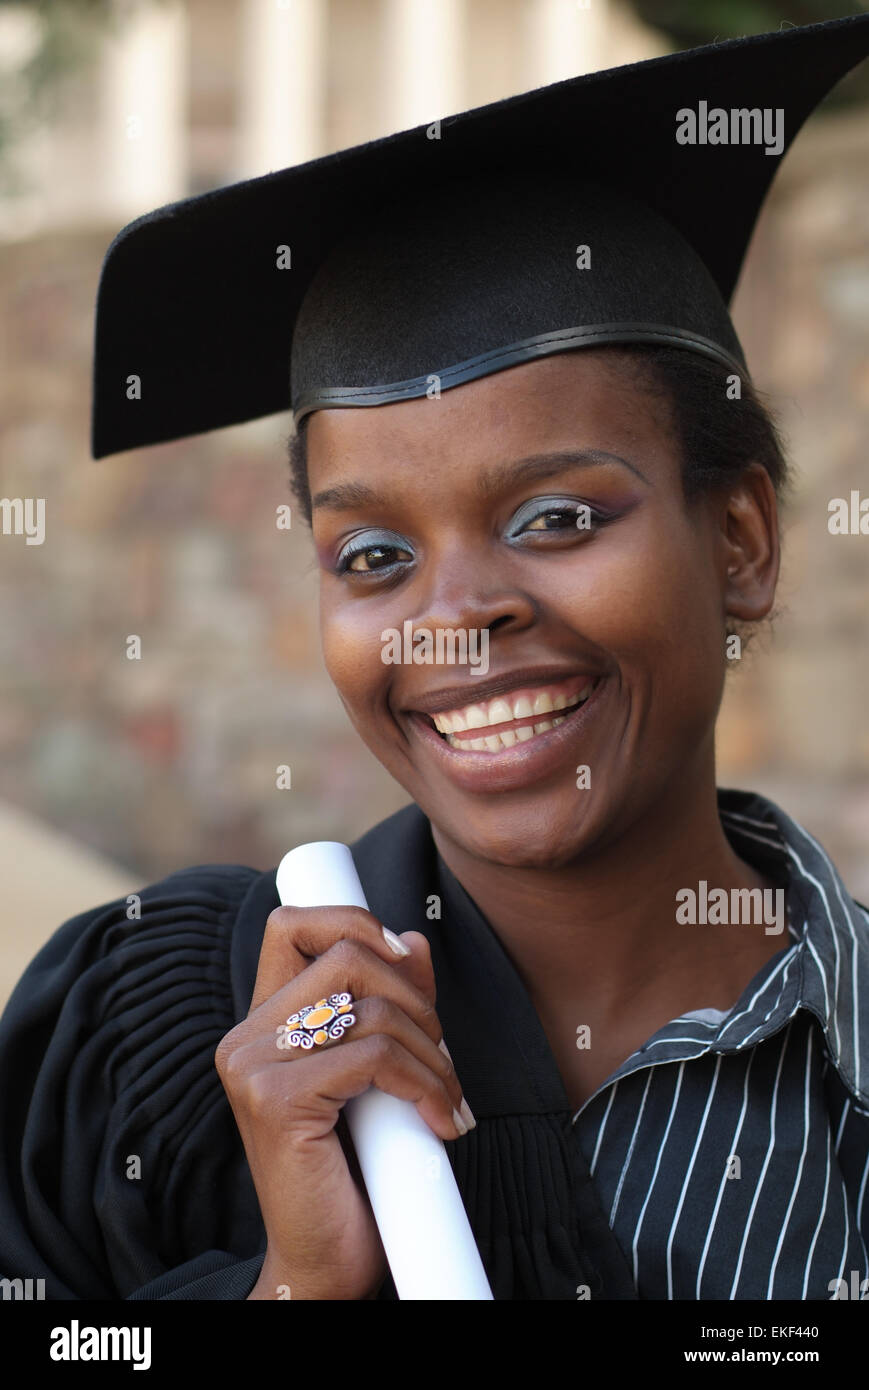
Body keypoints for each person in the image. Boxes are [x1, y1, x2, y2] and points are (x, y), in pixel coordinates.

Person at [2, 15, 869, 1302]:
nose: (451, 616)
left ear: (738, 538)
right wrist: (292, 1285)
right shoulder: (165, 1037)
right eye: (371, 558)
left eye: (556, 518)